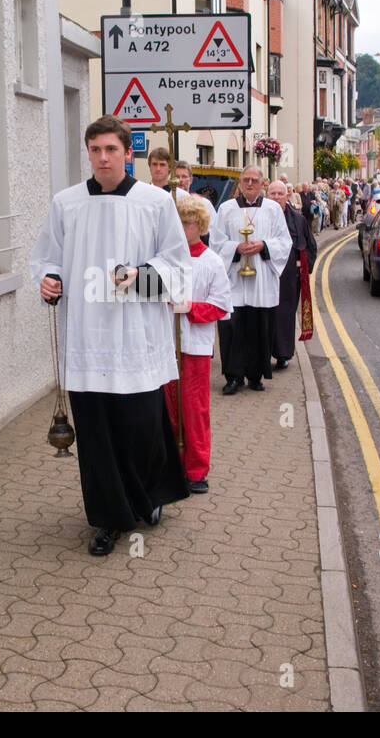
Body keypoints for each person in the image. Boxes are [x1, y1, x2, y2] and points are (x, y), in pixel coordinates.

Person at [30, 115, 192, 556]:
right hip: (85, 336)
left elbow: (178, 265)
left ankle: (148, 497)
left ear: (128, 153)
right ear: (88, 153)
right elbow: (47, 257)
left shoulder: (154, 203)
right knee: (97, 434)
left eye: (111, 150)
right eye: (95, 150)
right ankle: (107, 518)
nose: (103, 158)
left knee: (139, 427)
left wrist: (139, 276)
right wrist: (48, 280)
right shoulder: (66, 203)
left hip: (135, 335)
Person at [163, 197, 232, 494]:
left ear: (200, 226)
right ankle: (171, 466)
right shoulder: (165, 259)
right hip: (167, 345)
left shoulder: (212, 261)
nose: (183, 227)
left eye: (188, 222)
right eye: (179, 222)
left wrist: (189, 307)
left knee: (195, 409)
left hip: (196, 347)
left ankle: (196, 469)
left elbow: (221, 306)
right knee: (168, 408)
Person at [210, 165, 292, 394]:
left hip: (262, 281)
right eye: (245, 180)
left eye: (254, 180)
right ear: (239, 183)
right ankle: (233, 377)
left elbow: (284, 242)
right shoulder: (226, 209)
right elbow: (215, 244)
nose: (249, 184)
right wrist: (236, 248)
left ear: (262, 183)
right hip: (234, 280)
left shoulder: (273, 209)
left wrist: (263, 245)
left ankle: (255, 375)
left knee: (259, 329)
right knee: (232, 330)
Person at [268, 180, 317, 370]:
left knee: (285, 315)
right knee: (265, 315)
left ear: (287, 196)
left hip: (289, 278)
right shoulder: (259, 217)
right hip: (267, 274)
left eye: (280, 194)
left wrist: (303, 266)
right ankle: (264, 354)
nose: (276, 197)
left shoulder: (298, 219)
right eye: (273, 194)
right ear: (267, 195)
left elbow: (310, 247)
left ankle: (283, 354)